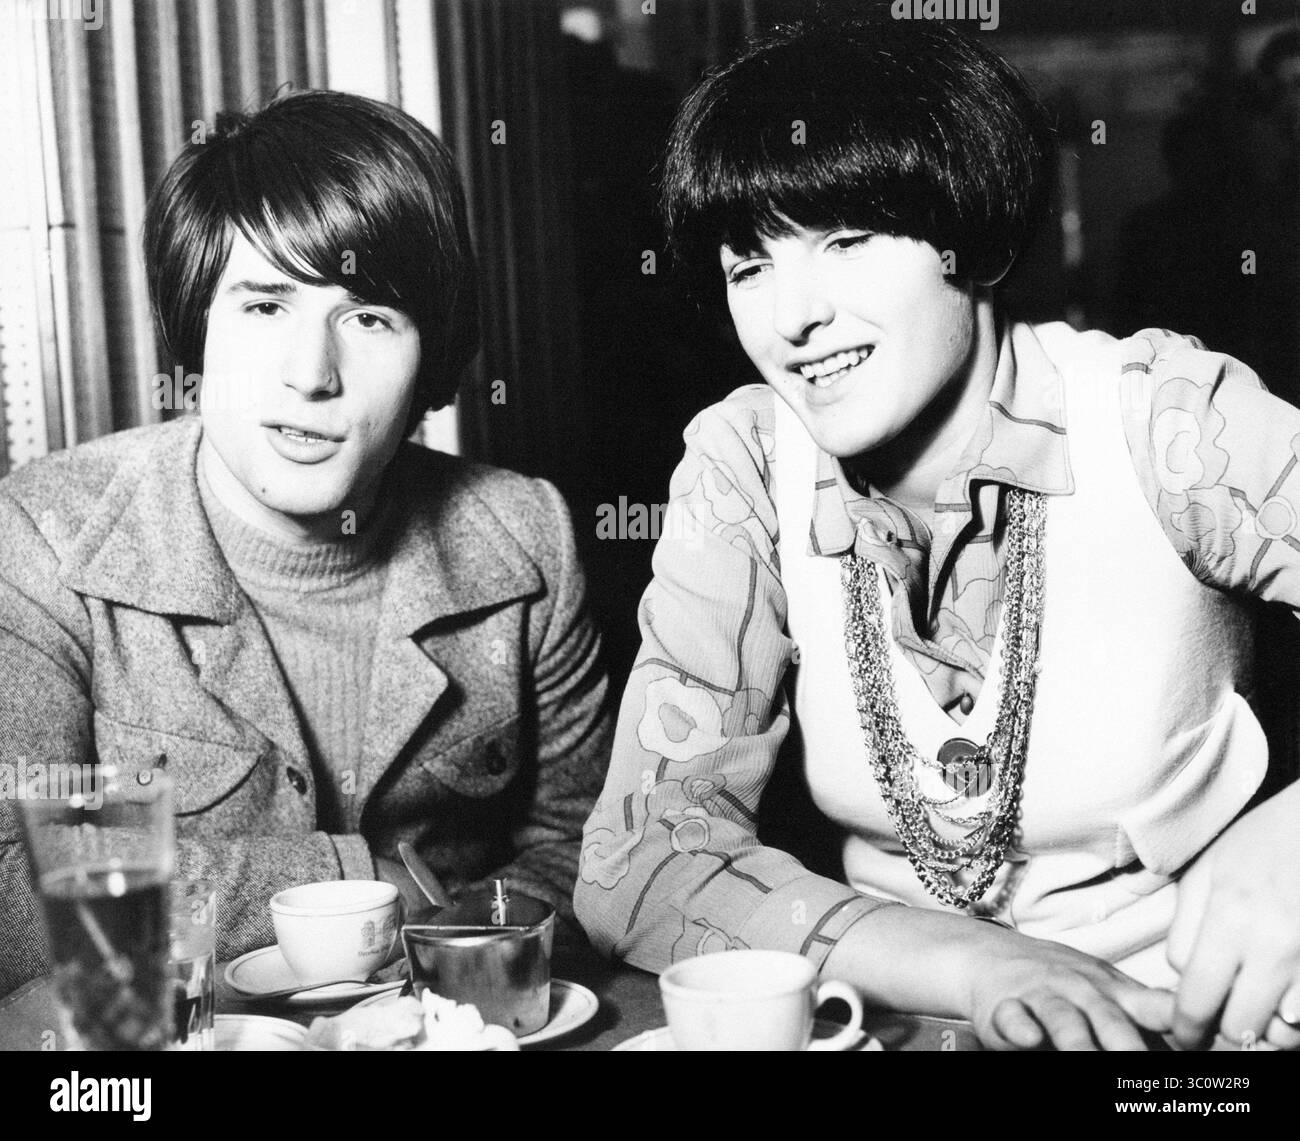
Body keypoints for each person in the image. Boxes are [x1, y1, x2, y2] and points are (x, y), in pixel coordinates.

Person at [575, 18, 1300, 1051]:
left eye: (846, 240)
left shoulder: (1163, 418)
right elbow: (637, 863)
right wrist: (979, 965)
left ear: (970, 231)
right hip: (880, 1023)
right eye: (749, 265)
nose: (793, 318)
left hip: (1190, 1032)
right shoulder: (743, 463)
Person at [0, 91, 612, 996]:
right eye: (263, 306)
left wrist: (455, 975)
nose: (310, 374)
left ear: (429, 360)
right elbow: (13, 893)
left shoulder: (528, 541)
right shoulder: (45, 533)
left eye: (368, 317)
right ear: (194, 323)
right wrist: (353, 884)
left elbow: (590, 848)